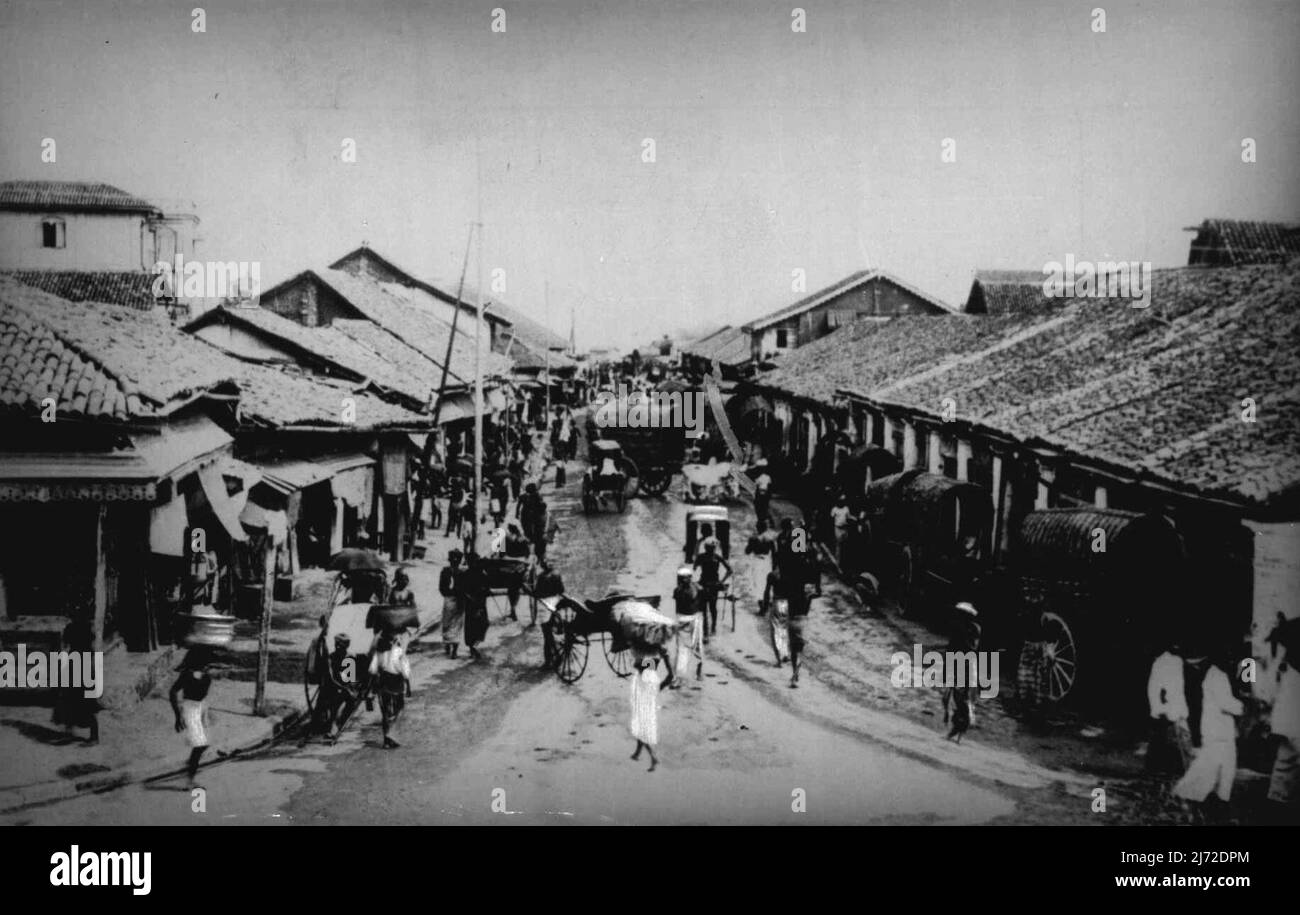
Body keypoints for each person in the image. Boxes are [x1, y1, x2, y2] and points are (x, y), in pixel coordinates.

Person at [1173, 651, 1244, 821]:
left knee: (1222, 769)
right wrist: (1243, 706)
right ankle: (1187, 794)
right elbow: (1225, 703)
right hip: (1218, 731)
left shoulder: (1216, 675)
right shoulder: (1217, 676)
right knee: (1211, 767)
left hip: (1219, 730)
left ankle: (1216, 804)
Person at [1267, 616, 1300, 817]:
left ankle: (1276, 806)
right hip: (1282, 711)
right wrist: (1246, 686)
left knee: (1285, 768)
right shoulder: (1249, 651)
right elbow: (1249, 668)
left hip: (1282, 713)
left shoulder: (1282, 655)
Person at [169, 647, 214, 789]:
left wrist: (207, 712)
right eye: (205, 663)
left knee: (202, 745)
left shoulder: (204, 677)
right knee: (200, 745)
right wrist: (178, 716)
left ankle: (190, 769)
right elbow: (173, 692)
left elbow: (202, 696)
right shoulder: (188, 675)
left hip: (199, 708)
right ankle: (188, 780)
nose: (208, 666)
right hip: (190, 709)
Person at [1146, 639, 1192, 775]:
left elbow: (1178, 689)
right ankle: (1158, 771)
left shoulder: (1178, 661)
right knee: (1166, 740)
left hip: (1175, 708)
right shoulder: (1161, 662)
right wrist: (1159, 707)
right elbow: (1154, 688)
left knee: (1173, 741)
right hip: (1166, 709)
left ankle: (1169, 771)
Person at [52, 617, 100, 745]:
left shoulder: (76, 628)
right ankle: (72, 733)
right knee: (73, 700)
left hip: (80, 666)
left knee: (83, 702)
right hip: (77, 665)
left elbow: (66, 645)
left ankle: (93, 737)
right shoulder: (86, 628)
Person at [368, 632, 411, 749]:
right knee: (399, 709)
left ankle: (386, 740)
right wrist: (408, 686)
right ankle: (391, 734)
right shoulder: (400, 653)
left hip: (383, 684)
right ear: (394, 641)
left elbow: (372, 670)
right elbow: (406, 673)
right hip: (396, 683)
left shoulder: (379, 653)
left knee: (385, 713)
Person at [629, 652, 667, 772]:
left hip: (644, 704)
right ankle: (637, 752)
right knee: (640, 728)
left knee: (642, 730)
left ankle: (653, 757)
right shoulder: (649, 672)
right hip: (646, 702)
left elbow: (639, 665)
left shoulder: (646, 674)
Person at [318, 632, 358, 740]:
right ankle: (333, 725)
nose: (338, 647)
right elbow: (331, 678)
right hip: (332, 687)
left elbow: (350, 679)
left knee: (350, 701)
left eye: (341, 645)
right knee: (334, 702)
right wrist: (342, 688)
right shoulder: (331, 658)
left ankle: (338, 723)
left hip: (343, 687)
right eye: (337, 644)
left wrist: (349, 689)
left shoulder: (349, 658)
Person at [786, 554, 817, 688]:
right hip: (804, 621)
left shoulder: (791, 589)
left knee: (793, 651)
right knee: (800, 651)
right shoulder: (808, 592)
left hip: (792, 620)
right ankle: (796, 674)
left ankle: (794, 674)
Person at [693, 540, 732, 641]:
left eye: (712, 548)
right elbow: (694, 569)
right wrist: (696, 582)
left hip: (713, 585)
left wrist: (721, 581)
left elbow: (730, 570)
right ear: (706, 548)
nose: (711, 550)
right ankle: (705, 632)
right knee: (704, 609)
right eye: (709, 548)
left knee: (712, 607)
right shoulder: (702, 557)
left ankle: (713, 627)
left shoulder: (716, 557)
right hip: (704, 584)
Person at [672, 567, 704, 683]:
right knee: (697, 646)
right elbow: (701, 601)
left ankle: (679, 677)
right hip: (695, 619)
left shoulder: (678, 591)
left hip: (683, 619)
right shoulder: (697, 588)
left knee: (682, 649)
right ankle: (699, 670)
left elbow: (677, 608)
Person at [533, 560, 565, 667]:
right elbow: (561, 590)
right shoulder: (557, 574)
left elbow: (537, 593)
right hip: (555, 604)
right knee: (550, 632)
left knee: (547, 634)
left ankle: (549, 660)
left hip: (545, 605)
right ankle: (556, 654)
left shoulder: (541, 577)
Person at [460, 552, 489, 661]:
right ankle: (473, 647)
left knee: (479, 624)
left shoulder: (481, 574)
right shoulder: (472, 574)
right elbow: (463, 590)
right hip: (474, 603)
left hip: (476, 603)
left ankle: (473, 646)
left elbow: (486, 588)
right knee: (477, 625)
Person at [761, 565, 792, 668]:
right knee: (785, 629)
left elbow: (767, 592)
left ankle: (779, 660)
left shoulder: (772, 575)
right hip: (788, 603)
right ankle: (786, 654)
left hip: (777, 602)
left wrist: (764, 607)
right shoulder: (790, 573)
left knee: (775, 631)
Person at [502, 521, 532, 622]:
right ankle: (513, 608)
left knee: (512, 589)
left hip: (506, 568)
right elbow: (528, 555)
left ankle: (513, 609)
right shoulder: (524, 540)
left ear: (510, 529)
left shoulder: (505, 538)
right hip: (520, 568)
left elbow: (501, 553)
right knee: (515, 588)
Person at [440, 550, 464, 659]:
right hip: (457, 599)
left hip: (449, 599)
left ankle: (449, 646)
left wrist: (447, 593)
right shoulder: (462, 572)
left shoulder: (445, 571)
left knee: (448, 623)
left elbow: (441, 588)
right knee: (456, 625)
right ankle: (453, 649)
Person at [829, 494, 854, 568]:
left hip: (845, 528)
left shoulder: (846, 508)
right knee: (839, 545)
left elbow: (849, 516)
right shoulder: (834, 509)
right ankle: (838, 563)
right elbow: (831, 517)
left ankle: (844, 562)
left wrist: (854, 518)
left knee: (845, 545)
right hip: (838, 528)